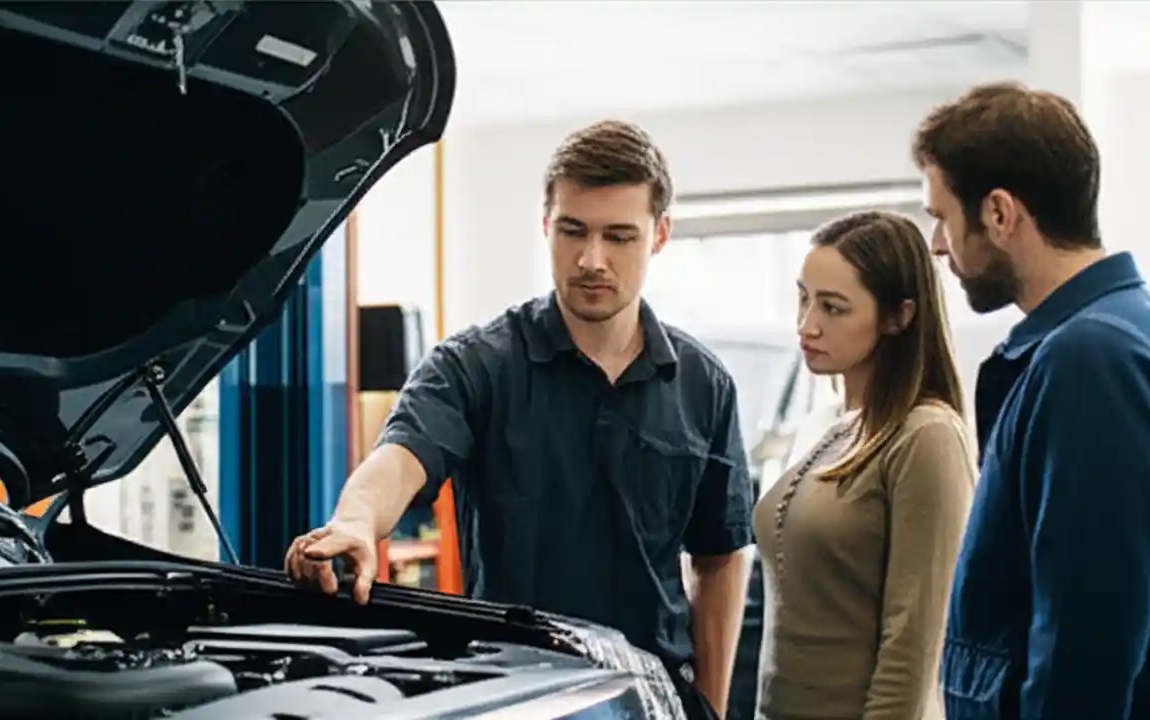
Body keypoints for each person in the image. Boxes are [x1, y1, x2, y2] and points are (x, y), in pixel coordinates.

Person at [284, 120, 754, 718]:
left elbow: (719, 557)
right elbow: (401, 457)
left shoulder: (703, 385)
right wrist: (354, 521)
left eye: (619, 237)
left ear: (660, 235)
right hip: (512, 696)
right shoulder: (475, 365)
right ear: (545, 224)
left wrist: (707, 708)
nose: (591, 259)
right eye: (572, 231)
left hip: (651, 700)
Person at [913, 81, 1150, 719]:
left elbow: (1088, 623)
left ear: (999, 213)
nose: (939, 245)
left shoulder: (1089, 358)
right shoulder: (1100, 339)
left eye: (942, 217)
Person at [752, 211, 977, 719]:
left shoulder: (926, 436)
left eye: (833, 308)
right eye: (804, 298)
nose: (807, 324)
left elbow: (912, 644)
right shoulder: (825, 424)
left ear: (899, 317)